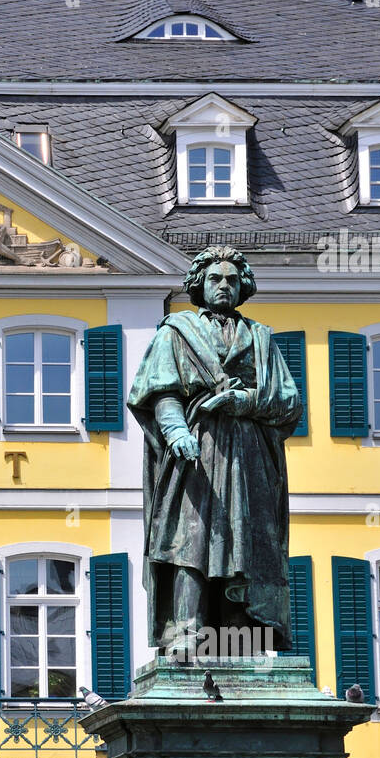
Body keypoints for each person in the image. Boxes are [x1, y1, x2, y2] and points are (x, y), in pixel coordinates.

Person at [127, 246, 302, 659]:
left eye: (232, 280)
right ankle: (186, 631)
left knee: (247, 544)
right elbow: (159, 392)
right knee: (188, 539)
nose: (224, 286)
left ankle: (241, 636)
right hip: (194, 452)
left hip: (249, 456)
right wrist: (175, 432)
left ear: (242, 286)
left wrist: (243, 403)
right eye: (215, 279)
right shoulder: (175, 332)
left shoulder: (260, 337)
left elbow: (288, 402)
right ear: (199, 286)